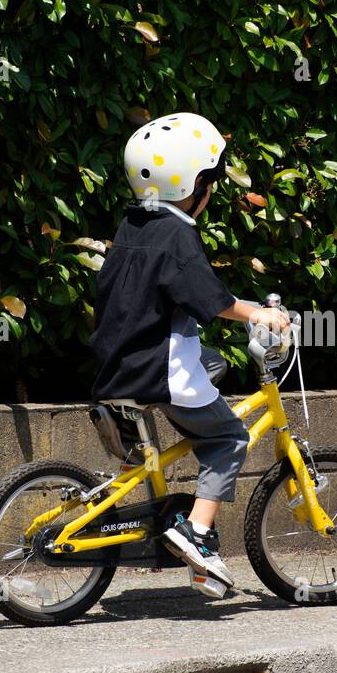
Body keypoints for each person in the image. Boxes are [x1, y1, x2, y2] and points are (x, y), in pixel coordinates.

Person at [90, 112, 289, 598]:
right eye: (212, 180)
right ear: (196, 183)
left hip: (118, 363)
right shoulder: (179, 234)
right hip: (160, 369)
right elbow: (214, 302)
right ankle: (197, 532)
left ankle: (190, 553)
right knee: (227, 439)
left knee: (210, 367)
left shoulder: (135, 223)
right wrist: (261, 317)